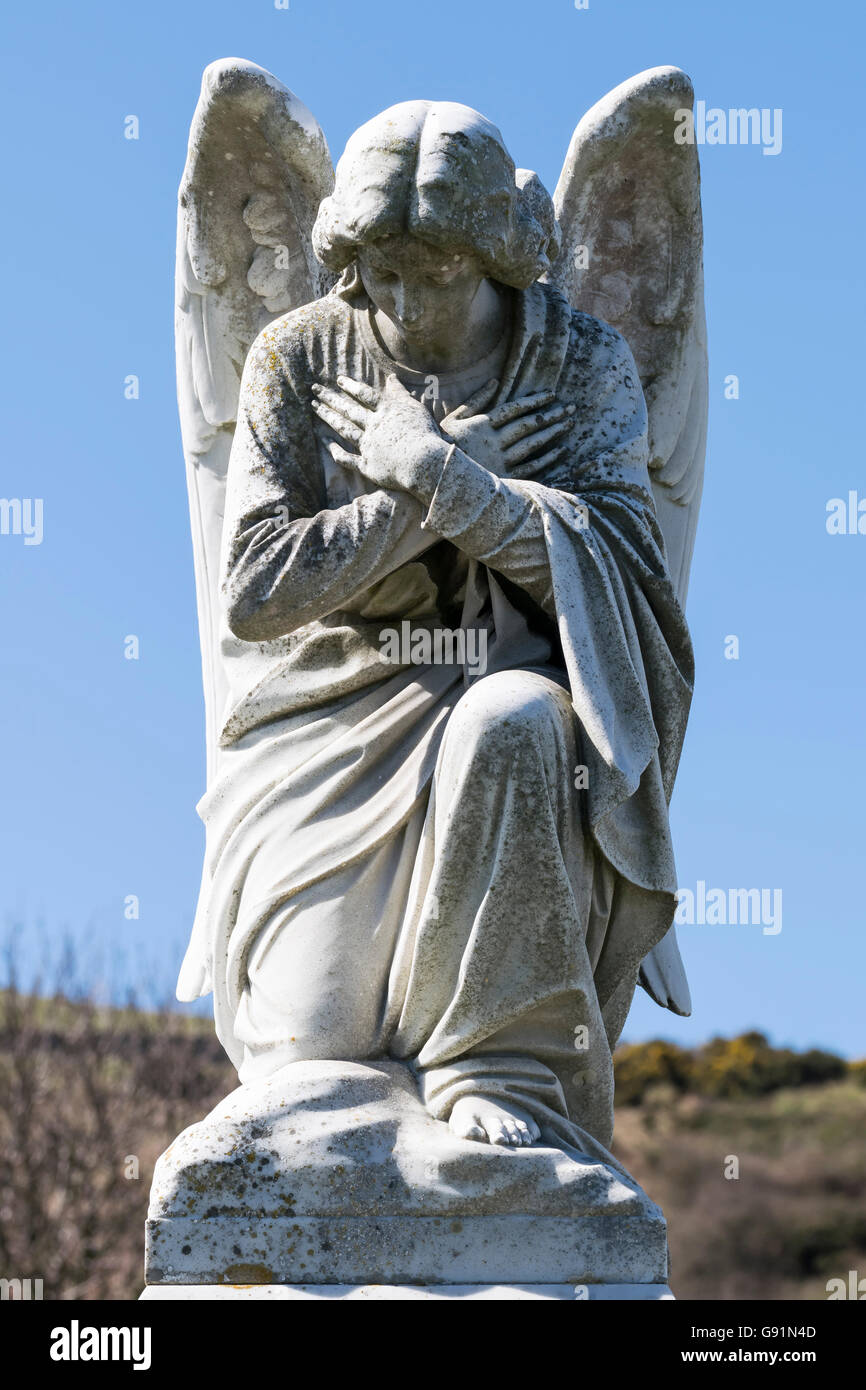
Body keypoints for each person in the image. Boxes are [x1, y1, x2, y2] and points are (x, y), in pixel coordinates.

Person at [177, 99, 693, 1157]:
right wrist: (418, 501)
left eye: (437, 271)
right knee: (312, 1048)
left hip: (509, 731)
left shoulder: (580, 364)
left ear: (500, 256)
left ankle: (496, 1056)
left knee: (516, 715)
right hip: (331, 721)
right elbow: (257, 589)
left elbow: (628, 593)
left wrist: (437, 476)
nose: (403, 301)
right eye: (380, 270)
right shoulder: (298, 355)